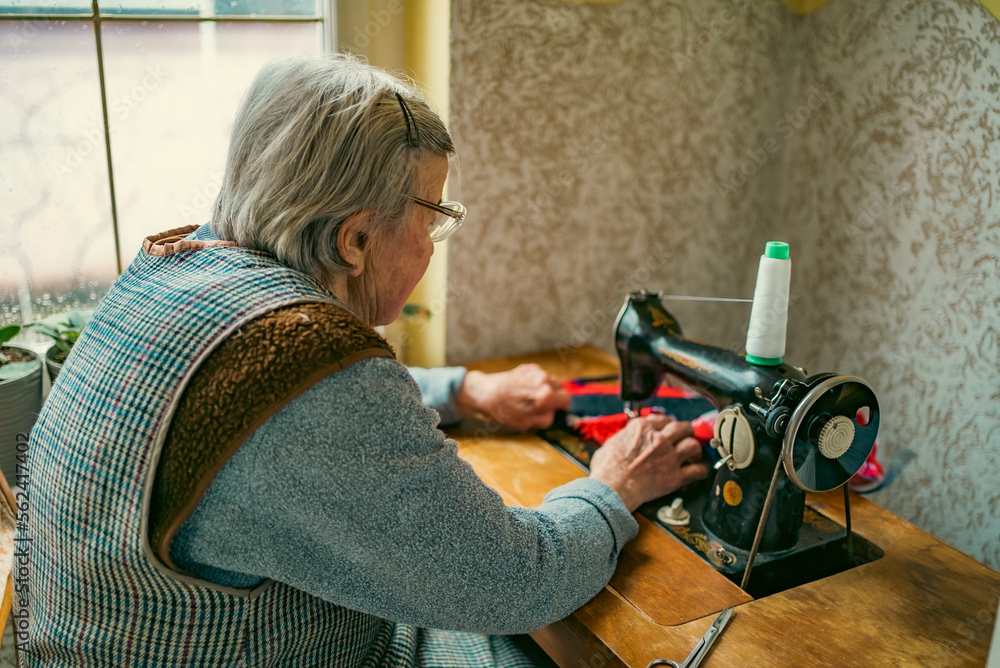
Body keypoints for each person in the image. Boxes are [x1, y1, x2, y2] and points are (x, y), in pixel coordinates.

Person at [19, 54, 708, 667]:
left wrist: (463, 391)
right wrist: (614, 486)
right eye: (433, 217)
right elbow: (518, 580)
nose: (434, 242)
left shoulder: (174, 271)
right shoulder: (314, 365)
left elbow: (248, 398)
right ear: (354, 240)